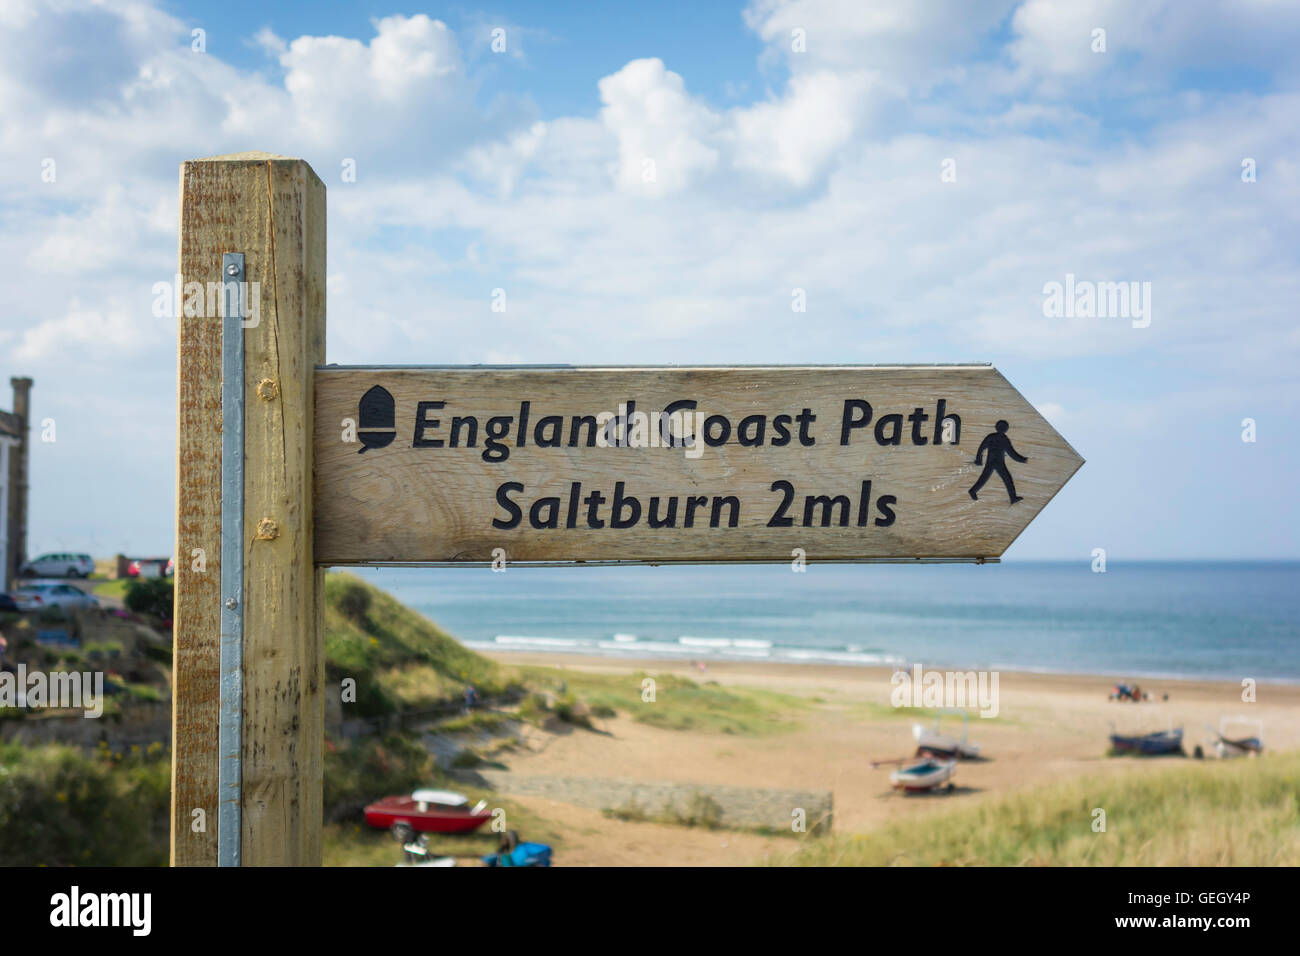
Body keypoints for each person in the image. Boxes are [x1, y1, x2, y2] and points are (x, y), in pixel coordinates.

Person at [969, 420, 1028, 504]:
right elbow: (1012, 454)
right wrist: (1024, 460)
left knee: (987, 478)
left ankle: (1013, 497)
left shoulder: (993, 437)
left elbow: (981, 448)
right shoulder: (1002, 439)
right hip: (997, 463)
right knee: (1005, 479)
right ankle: (1013, 497)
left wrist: (979, 459)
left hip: (995, 462)